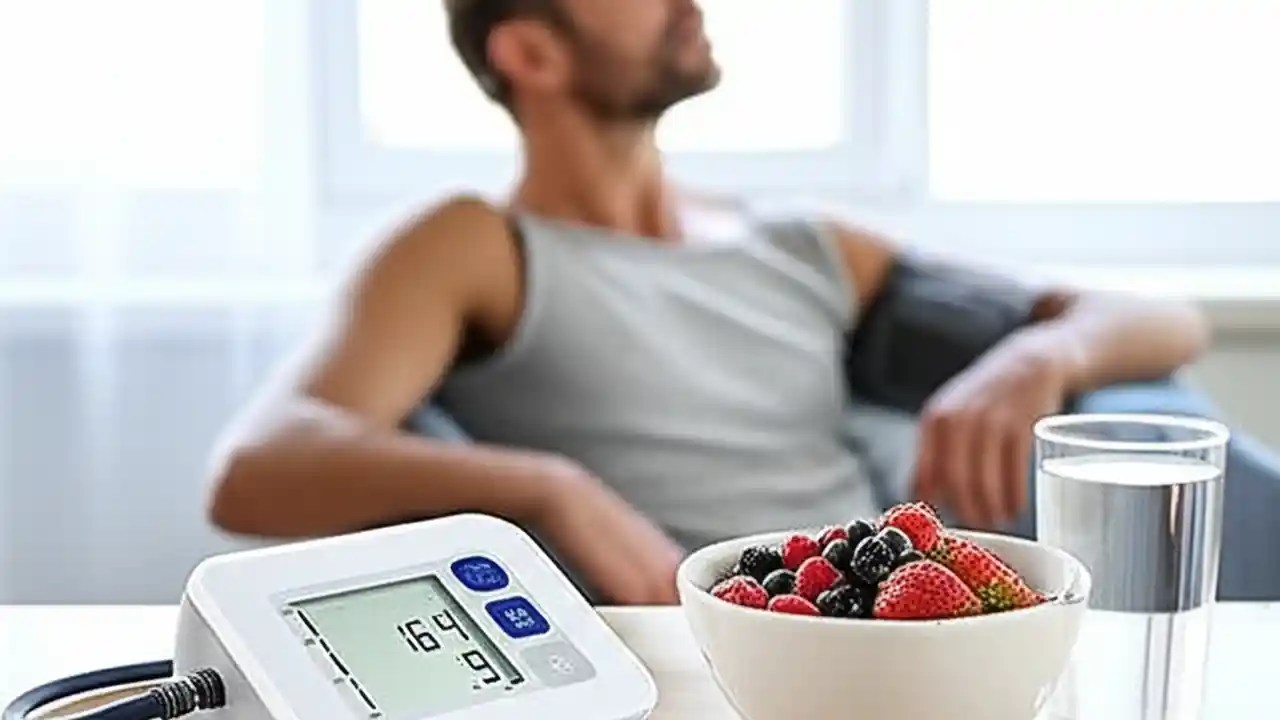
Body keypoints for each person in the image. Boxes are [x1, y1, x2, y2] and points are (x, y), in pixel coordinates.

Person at [206, 0, 1208, 605]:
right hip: (685, 650)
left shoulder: (800, 245)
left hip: (875, 632)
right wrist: (544, 486)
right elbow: (256, 469)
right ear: (531, 53)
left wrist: (1038, 357)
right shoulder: (476, 244)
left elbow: (1165, 321)